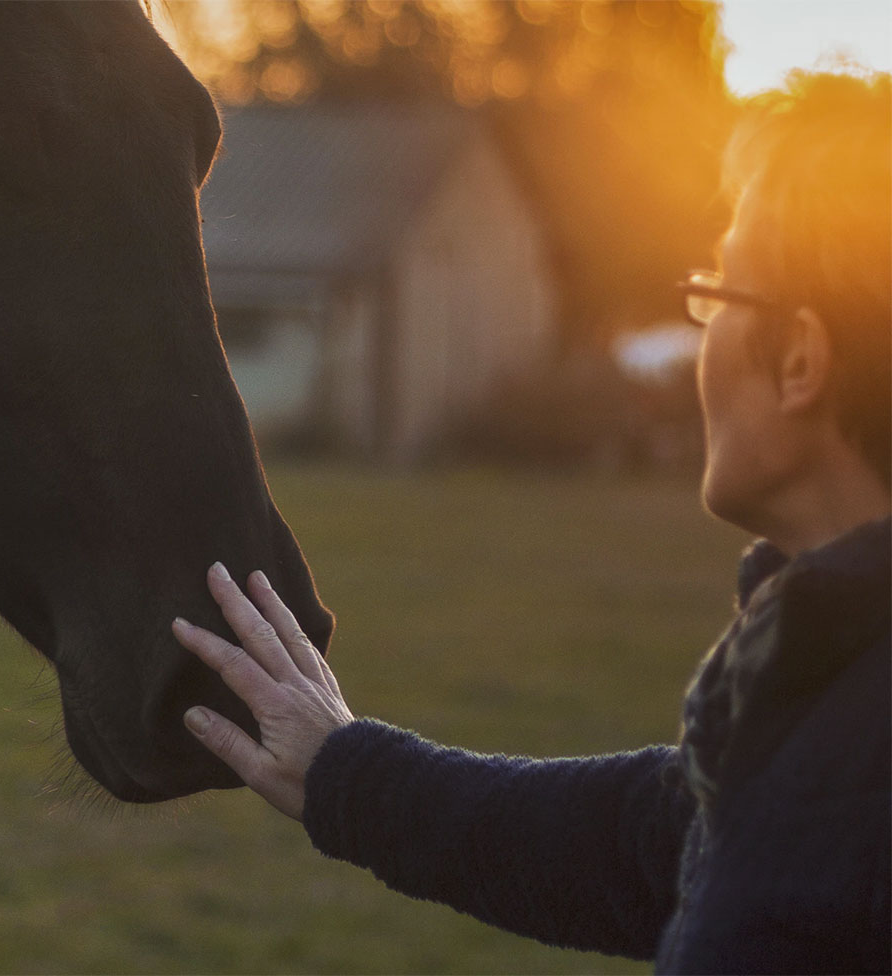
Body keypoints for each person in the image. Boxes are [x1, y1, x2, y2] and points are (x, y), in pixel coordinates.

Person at [173, 69, 890, 973]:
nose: (701, 340)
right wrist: (341, 770)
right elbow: (645, 847)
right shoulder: (822, 699)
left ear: (796, 361)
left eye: (718, 298)